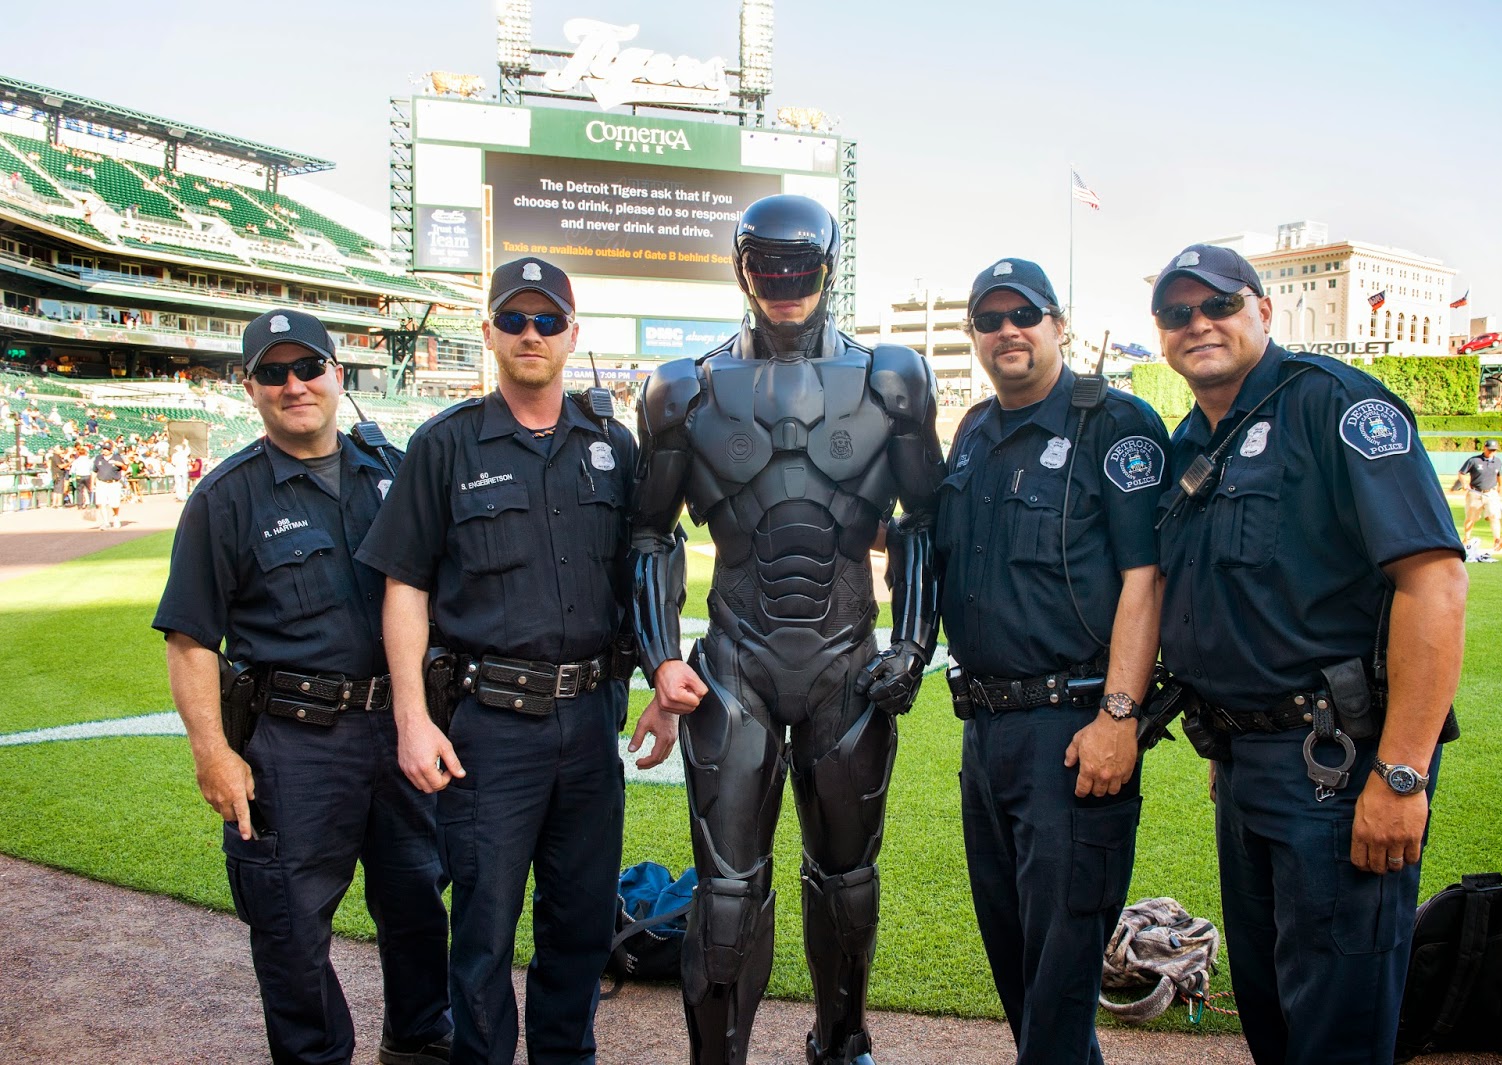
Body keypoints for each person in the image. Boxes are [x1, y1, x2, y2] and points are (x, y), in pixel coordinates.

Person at [629, 194, 946, 1065]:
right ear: (741, 269)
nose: (782, 286)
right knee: (727, 895)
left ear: (827, 269)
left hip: (848, 659)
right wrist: (659, 653)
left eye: (797, 268)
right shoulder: (681, 389)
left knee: (849, 886)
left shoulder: (895, 378)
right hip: (736, 658)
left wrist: (913, 640)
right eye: (765, 268)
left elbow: (924, 518)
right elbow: (650, 533)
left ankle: (841, 1043)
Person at [1149, 244, 1468, 1065]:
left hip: (1338, 761)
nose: (1199, 324)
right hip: (1245, 762)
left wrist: (1402, 772)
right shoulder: (1189, 444)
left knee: (1337, 1024)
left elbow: (1433, 584)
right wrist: (1231, 742)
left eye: (1218, 304)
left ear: (1262, 310)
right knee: (1272, 1013)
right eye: (1178, 313)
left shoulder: (1335, 406)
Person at [356, 258, 656, 1065]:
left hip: (591, 721)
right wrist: (412, 720)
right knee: (484, 928)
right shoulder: (444, 444)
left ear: (572, 335)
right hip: (489, 726)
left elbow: (644, 572)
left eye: (548, 320)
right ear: (488, 332)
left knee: (581, 921)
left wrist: (661, 677)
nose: (532, 334)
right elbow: (405, 587)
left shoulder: (611, 445)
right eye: (515, 320)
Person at [153, 308, 452, 1065]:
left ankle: (419, 1039)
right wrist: (211, 752)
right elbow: (190, 638)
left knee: (417, 901)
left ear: (337, 375)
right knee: (290, 922)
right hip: (295, 743)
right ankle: (316, 1055)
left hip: (397, 727)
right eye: (275, 373)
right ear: (248, 387)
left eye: (309, 367)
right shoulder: (224, 499)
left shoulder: (391, 471)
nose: (296, 386)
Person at [935, 259, 1166, 1065]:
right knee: (1022, 974)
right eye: (990, 319)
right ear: (975, 337)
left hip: (1072, 734)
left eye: (1024, 313)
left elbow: (1148, 577)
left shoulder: (1116, 424)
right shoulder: (972, 434)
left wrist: (1119, 713)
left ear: (1058, 323)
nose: (1008, 330)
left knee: (1061, 981)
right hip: (985, 735)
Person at [1453, 438, 1502, 550]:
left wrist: (1500, 486)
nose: (1492, 452)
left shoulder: (1498, 462)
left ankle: (1497, 540)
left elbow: (1499, 475)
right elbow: (1461, 473)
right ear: (1484, 448)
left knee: (1494, 516)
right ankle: (1466, 539)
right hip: (1475, 492)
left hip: (1491, 493)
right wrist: (1464, 483)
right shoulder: (1474, 461)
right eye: (1490, 449)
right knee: (1471, 518)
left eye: (1494, 450)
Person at [91, 440, 125, 529]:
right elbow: (94, 471)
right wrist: (91, 483)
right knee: (101, 503)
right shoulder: (98, 458)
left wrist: (118, 463)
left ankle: (116, 517)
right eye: (104, 449)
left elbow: (125, 467)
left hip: (113, 483)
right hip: (101, 483)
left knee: (115, 504)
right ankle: (106, 522)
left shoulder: (117, 457)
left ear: (111, 450)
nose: (105, 450)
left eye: (107, 449)